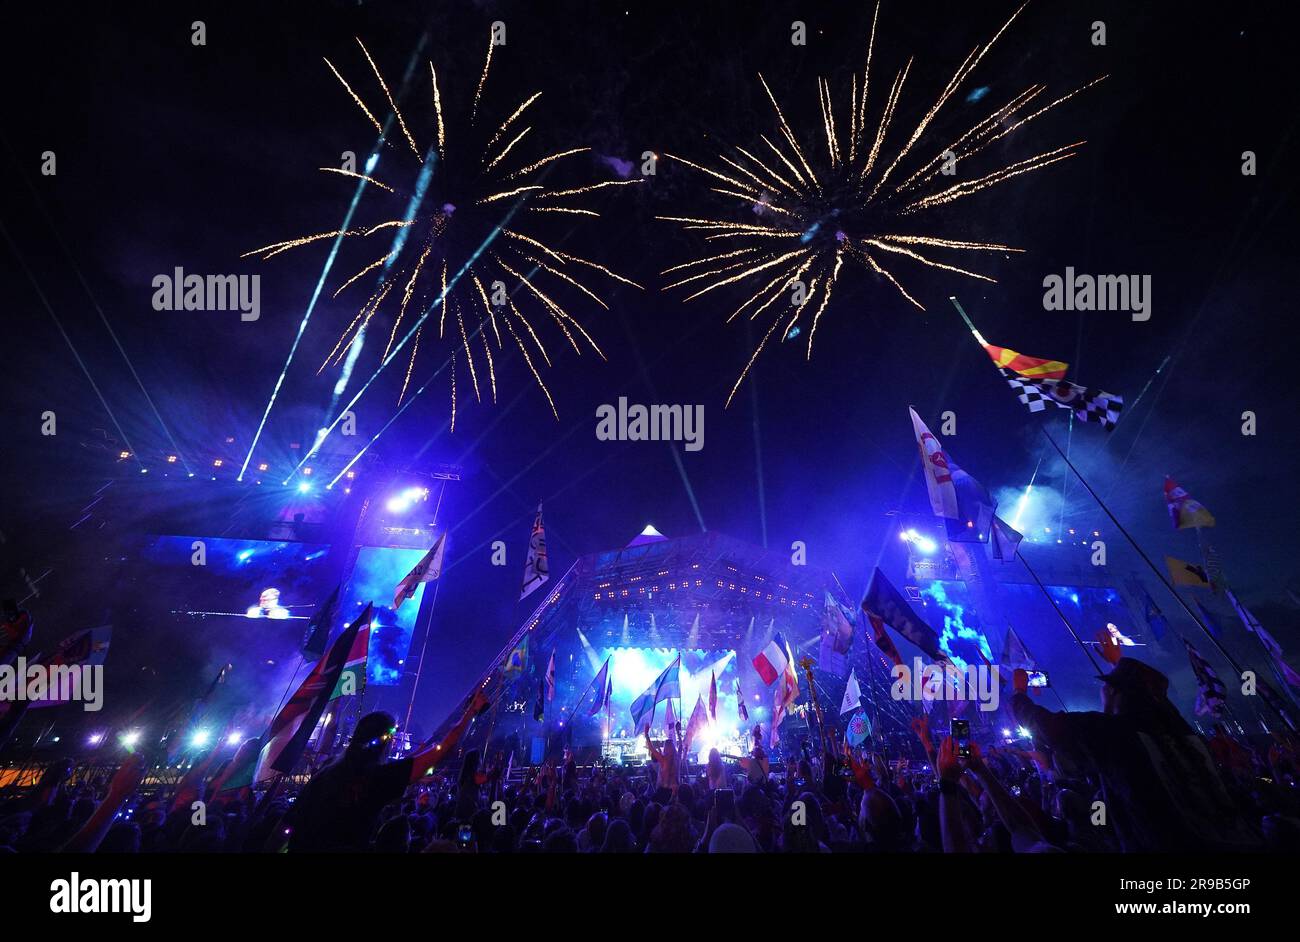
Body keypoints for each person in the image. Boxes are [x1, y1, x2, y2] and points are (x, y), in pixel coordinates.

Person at [1010, 629, 1262, 853]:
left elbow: (1044, 725)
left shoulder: (1117, 733)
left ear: (1117, 692)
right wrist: (1117, 666)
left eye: (1110, 687)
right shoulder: (1186, 736)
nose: (1104, 690)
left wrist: (1020, 692)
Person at [285, 690, 488, 852]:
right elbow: (441, 750)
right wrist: (471, 711)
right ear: (382, 740)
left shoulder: (329, 769)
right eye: (391, 735)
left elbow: (288, 824)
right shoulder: (375, 778)